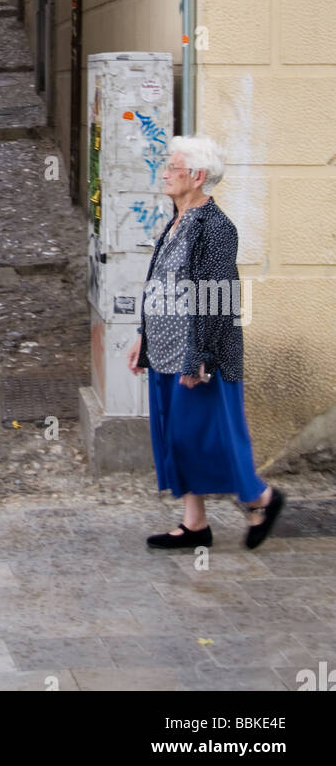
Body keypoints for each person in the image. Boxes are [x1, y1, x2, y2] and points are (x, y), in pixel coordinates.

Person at [127, 134, 284, 550]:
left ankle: (261, 498)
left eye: (173, 167)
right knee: (178, 436)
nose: (165, 173)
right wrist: (143, 335)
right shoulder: (176, 220)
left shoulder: (216, 227)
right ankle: (195, 523)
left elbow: (219, 298)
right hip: (165, 349)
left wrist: (202, 357)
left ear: (196, 177)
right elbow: (161, 284)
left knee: (211, 436)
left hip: (197, 355)